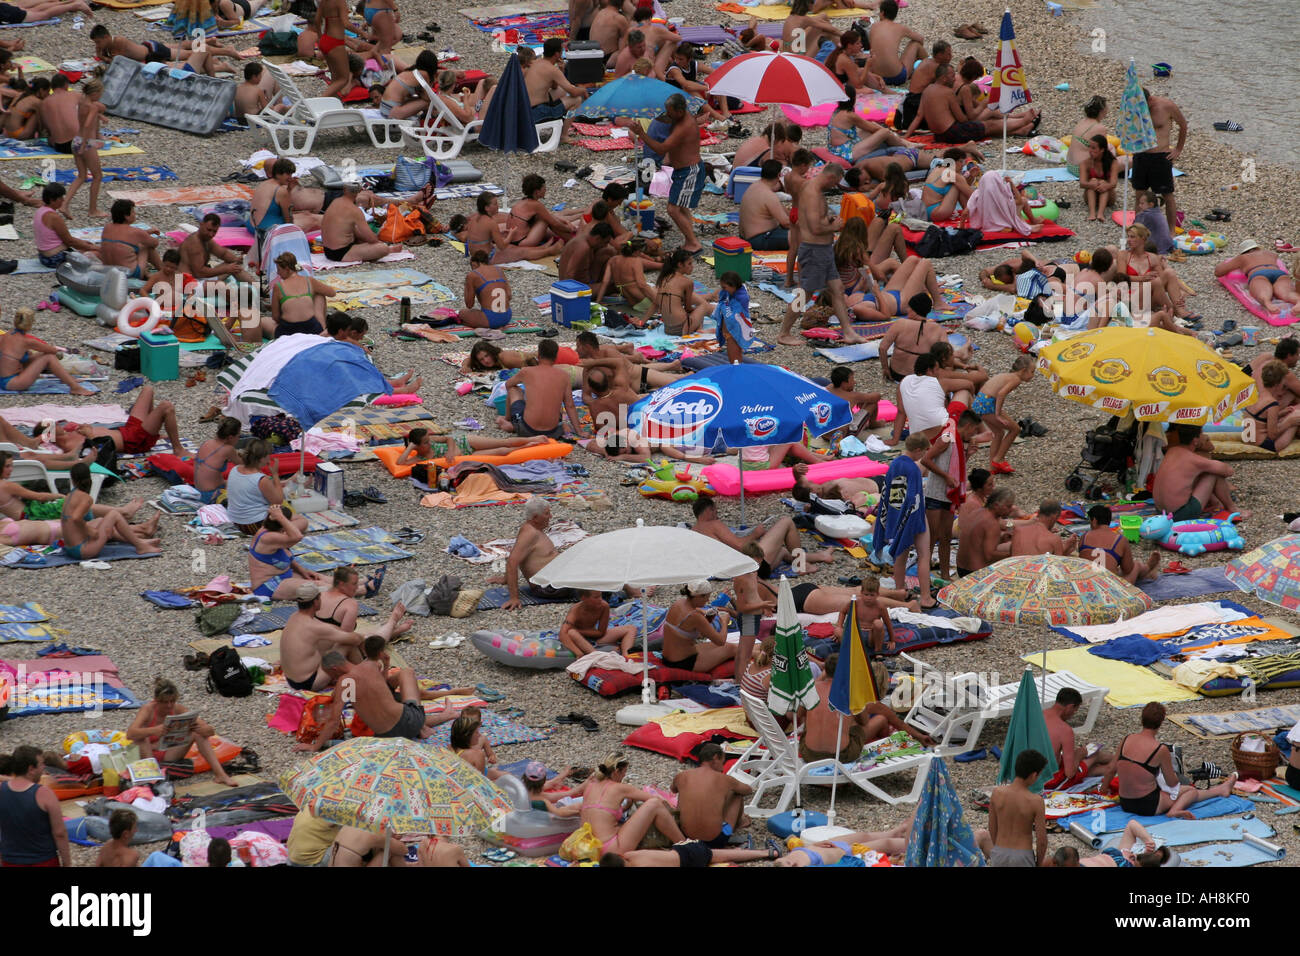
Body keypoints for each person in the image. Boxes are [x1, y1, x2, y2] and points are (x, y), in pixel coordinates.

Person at [777, 161, 864, 346]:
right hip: (814, 250)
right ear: (831, 177)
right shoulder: (812, 194)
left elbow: (814, 220)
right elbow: (815, 228)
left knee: (837, 290)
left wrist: (829, 220)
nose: (835, 186)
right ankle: (784, 333)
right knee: (805, 294)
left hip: (823, 252)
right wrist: (834, 226)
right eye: (836, 182)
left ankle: (848, 332)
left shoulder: (814, 191)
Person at [550, 752, 686, 858]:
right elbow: (655, 799)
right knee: (654, 805)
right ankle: (684, 844)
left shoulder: (591, 786)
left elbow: (604, 812)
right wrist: (671, 807)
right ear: (617, 771)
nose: (624, 777)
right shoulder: (620, 788)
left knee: (622, 824)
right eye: (624, 773)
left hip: (588, 848)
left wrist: (625, 807)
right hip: (610, 849)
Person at [802, 654, 934, 761]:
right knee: (877, 720)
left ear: (826, 671)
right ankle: (882, 740)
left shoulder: (812, 689)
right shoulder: (851, 693)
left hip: (809, 754)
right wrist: (919, 736)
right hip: (841, 755)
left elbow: (794, 716)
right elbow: (866, 722)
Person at [619, 93, 706, 256]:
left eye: (669, 112)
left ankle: (694, 243)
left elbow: (661, 149)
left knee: (673, 209)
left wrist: (641, 133)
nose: (667, 115)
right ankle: (690, 239)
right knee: (681, 206)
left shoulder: (684, 126)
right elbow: (666, 121)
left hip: (690, 171)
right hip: (683, 170)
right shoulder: (681, 117)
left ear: (679, 111)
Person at [1116, 702, 1237, 818]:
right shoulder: (1160, 749)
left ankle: (1220, 790)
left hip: (1126, 803)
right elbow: (1172, 783)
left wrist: (1104, 789)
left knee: (1182, 791)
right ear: (1161, 722)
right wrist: (1173, 775)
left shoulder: (1126, 739)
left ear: (1142, 719)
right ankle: (1175, 810)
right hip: (1148, 806)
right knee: (1191, 791)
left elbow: (1111, 769)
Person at [281, 582, 403, 692]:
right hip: (308, 682)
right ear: (316, 601)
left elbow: (329, 631)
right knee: (347, 644)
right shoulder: (315, 627)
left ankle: (389, 632)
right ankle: (368, 672)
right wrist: (361, 640)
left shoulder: (294, 617)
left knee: (332, 643)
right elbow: (353, 639)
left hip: (292, 679)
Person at [124, 677, 237, 786]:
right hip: (146, 754)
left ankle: (220, 774)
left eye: (172, 701)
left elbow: (210, 731)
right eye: (164, 702)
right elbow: (130, 734)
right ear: (156, 701)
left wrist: (201, 729)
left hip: (167, 752)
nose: (169, 705)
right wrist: (154, 730)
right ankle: (154, 779)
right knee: (141, 738)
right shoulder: (148, 709)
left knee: (198, 733)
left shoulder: (178, 708)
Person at [871, 434, 935, 608]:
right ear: (917, 450)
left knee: (900, 555)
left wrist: (893, 520)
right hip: (914, 517)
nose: (923, 456)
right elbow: (914, 498)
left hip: (897, 515)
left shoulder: (894, 464)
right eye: (923, 451)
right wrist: (913, 521)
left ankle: (899, 592)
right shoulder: (913, 469)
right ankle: (926, 597)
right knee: (923, 555)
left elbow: (887, 493)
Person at [920, 409, 982, 580]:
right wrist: (946, 476)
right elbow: (926, 459)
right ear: (968, 426)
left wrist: (967, 455)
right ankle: (923, 575)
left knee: (946, 537)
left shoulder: (960, 443)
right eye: (974, 430)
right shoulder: (947, 437)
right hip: (935, 493)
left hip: (947, 496)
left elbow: (955, 467)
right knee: (932, 537)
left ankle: (945, 575)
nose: (974, 434)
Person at [905, 63, 1038, 142]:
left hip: (938, 136)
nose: (954, 78)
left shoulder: (927, 90)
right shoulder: (948, 92)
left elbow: (918, 116)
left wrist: (906, 136)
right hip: (952, 133)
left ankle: (1020, 130)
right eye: (952, 76)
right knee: (988, 125)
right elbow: (963, 119)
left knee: (984, 127)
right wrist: (982, 105)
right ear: (944, 78)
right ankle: (1023, 121)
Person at [691, 496, 833, 569]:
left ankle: (821, 556)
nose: (718, 515)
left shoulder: (693, 530)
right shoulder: (713, 524)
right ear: (709, 510)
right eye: (716, 511)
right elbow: (740, 546)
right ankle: (801, 566)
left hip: (744, 570)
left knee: (783, 551)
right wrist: (756, 534)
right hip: (750, 567)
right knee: (786, 521)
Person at [60, 463, 161, 560]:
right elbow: (76, 518)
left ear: (72, 480)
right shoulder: (85, 498)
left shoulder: (70, 495)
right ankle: (140, 546)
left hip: (70, 548)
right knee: (114, 515)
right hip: (82, 550)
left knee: (101, 520)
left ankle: (141, 540)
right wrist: (90, 531)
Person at [1152, 424, 1247, 520]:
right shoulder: (1193, 459)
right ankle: (1232, 508)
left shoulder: (1171, 451)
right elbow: (1228, 471)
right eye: (1202, 434)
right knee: (1213, 473)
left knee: (1200, 473)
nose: (1204, 435)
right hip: (1178, 515)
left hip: (1160, 511)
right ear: (1195, 440)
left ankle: (1216, 503)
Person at [495, 338, 585, 440]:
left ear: (538, 355)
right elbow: (570, 406)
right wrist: (579, 431)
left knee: (514, 389)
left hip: (527, 430)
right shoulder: (564, 376)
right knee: (556, 400)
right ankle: (562, 425)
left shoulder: (526, 371)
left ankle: (508, 421)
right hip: (553, 432)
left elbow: (508, 385)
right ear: (555, 357)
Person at [494, 498, 573, 611]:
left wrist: (506, 578)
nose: (550, 516)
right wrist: (514, 598)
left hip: (553, 582)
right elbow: (512, 562)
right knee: (588, 569)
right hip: (548, 588)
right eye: (547, 514)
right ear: (535, 517)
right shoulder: (530, 533)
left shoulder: (533, 530)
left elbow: (516, 554)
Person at [0, 745, 71, 867]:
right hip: (43, 860)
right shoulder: (45, 794)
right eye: (41, 764)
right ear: (31, 769)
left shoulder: (2, 790)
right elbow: (60, 833)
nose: (44, 768)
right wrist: (67, 863)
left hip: (10, 860)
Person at [672, 742, 753, 846]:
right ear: (715, 758)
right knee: (736, 794)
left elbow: (673, 790)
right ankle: (740, 822)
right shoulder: (725, 779)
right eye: (722, 763)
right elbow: (748, 790)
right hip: (716, 840)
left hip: (685, 836)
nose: (722, 768)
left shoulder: (682, 775)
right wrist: (729, 787)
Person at [0, 308, 95, 395]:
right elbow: (52, 350)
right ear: (30, 323)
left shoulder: (9, 334)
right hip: (11, 382)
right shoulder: (27, 341)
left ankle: (66, 378)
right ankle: (74, 387)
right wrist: (60, 350)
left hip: (4, 378)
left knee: (40, 354)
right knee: (48, 357)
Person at [247, 505, 332, 600]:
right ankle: (345, 599)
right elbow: (298, 536)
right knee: (321, 587)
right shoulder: (267, 537)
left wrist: (302, 571)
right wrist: (280, 516)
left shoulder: (275, 532)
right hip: (268, 584)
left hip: (285, 575)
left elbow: (302, 520)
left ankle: (348, 592)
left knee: (330, 581)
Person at [225, 439, 308, 536]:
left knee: (288, 514)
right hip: (254, 523)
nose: (269, 458)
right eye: (268, 456)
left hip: (235, 519)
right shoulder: (261, 479)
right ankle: (278, 534)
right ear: (261, 458)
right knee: (302, 521)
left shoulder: (235, 469)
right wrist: (275, 474)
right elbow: (278, 500)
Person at [1132, 87, 1187, 233]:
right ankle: (1137, 229)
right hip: (1141, 155)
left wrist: (1178, 149)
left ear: (1149, 100)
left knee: (1167, 194)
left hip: (1160, 155)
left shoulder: (1166, 106)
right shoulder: (1135, 107)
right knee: (1139, 194)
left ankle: (1171, 230)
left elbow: (1183, 124)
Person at [1041, 688, 1117, 791]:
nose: (1073, 715)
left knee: (1091, 761)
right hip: (1049, 780)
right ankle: (1122, 762)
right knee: (1094, 755)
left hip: (1029, 772)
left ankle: (1117, 764)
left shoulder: (1038, 715)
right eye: (1075, 711)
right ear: (1070, 707)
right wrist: (1078, 756)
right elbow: (1070, 773)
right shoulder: (1064, 730)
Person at [972, 355, 1034, 474]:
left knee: (999, 433)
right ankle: (998, 459)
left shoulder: (1008, 376)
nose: (1033, 376)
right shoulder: (1016, 379)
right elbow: (1001, 394)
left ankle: (992, 468)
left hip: (980, 402)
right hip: (987, 403)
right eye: (1032, 372)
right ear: (1023, 371)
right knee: (1015, 429)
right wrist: (998, 414)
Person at [986, 749, 1047, 867]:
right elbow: (1042, 840)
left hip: (1000, 851)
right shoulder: (1035, 801)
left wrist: (998, 848)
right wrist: (1038, 863)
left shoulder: (997, 793)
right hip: (1022, 855)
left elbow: (992, 827)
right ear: (1034, 775)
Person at [1214, 239, 1299, 320]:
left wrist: (1223, 263)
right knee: (1287, 293)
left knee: (1262, 292)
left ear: (1243, 252)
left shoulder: (1242, 258)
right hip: (1279, 273)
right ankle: (1298, 301)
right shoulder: (1270, 254)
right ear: (1258, 248)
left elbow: (1218, 272)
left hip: (1258, 273)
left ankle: (1267, 303)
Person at [661, 580, 736, 672]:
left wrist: (705, 614)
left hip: (667, 658)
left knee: (720, 646)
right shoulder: (695, 616)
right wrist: (724, 621)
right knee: (730, 648)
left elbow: (690, 623)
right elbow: (720, 641)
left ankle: (755, 652)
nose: (708, 601)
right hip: (684, 663)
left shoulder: (678, 603)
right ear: (700, 596)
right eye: (707, 597)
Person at [524, 38, 588, 143]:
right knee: (577, 100)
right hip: (536, 113)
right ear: (557, 54)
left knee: (560, 90)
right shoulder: (552, 69)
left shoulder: (536, 62)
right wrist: (583, 91)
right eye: (562, 51)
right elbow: (573, 92)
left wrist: (561, 70)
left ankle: (561, 124)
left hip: (524, 110)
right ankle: (563, 135)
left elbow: (554, 87)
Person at [1078, 504, 1161, 584]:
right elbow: (1127, 570)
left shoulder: (1084, 537)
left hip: (1086, 584)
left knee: (1107, 569)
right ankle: (1147, 568)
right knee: (1136, 565)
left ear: (1094, 521)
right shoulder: (1120, 539)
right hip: (1111, 588)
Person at [322, 182, 401, 263]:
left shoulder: (335, 202)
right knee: (382, 249)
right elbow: (371, 239)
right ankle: (387, 250)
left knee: (353, 230)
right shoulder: (355, 210)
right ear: (359, 192)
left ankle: (370, 249)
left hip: (327, 250)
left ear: (344, 190)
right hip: (341, 253)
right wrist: (378, 243)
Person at [1049, 820, 1180, 868]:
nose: (1154, 851)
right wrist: (1148, 840)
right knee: (1066, 855)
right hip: (1088, 861)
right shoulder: (1123, 852)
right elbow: (1131, 825)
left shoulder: (1128, 863)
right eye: (1156, 850)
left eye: (1156, 854)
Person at [62, 78, 106, 217]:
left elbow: (88, 115)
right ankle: (92, 210)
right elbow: (87, 125)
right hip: (86, 143)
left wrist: (99, 116)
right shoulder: (92, 106)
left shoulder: (82, 101)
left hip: (76, 140)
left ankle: (64, 205)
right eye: (100, 94)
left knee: (81, 176)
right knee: (97, 176)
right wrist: (84, 145)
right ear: (95, 93)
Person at [32, 182, 100, 268]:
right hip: (54, 258)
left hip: (43, 256)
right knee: (95, 254)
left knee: (84, 246)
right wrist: (93, 247)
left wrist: (83, 243)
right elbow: (69, 241)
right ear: (52, 200)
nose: (63, 200)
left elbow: (64, 238)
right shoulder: (53, 217)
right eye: (60, 198)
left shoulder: (40, 211)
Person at [179, 213, 257, 285]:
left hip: (200, 277)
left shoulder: (206, 240)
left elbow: (223, 254)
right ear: (201, 224)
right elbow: (199, 272)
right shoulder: (194, 243)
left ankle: (258, 287)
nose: (211, 234)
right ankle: (257, 288)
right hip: (190, 282)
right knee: (229, 271)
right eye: (209, 230)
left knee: (234, 266)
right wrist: (225, 269)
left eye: (214, 231)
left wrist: (237, 259)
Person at [505, 173, 581, 248]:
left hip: (512, 240)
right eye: (544, 188)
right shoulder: (536, 205)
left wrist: (566, 222)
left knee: (546, 218)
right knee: (546, 221)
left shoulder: (523, 201)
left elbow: (550, 216)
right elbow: (554, 223)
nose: (546, 190)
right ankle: (573, 241)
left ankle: (572, 239)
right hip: (523, 242)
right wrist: (569, 229)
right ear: (537, 192)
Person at [1242, 359, 1300, 454]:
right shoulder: (1272, 404)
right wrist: (1289, 422)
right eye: (1283, 384)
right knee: (1296, 416)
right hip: (1266, 445)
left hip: (1248, 439)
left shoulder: (1256, 397)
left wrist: (1281, 414)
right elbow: (1272, 435)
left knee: (1288, 417)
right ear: (1278, 384)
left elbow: (1260, 419)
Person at [955, 486, 1016, 576]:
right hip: (975, 572)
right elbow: (989, 556)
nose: (1011, 509)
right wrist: (1011, 555)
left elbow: (979, 543)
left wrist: (1001, 540)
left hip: (960, 568)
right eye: (1008, 506)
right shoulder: (992, 523)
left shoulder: (977, 512)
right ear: (996, 505)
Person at [559, 590, 638, 657]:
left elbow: (601, 632)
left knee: (631, 628)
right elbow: (563, 634)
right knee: (571, 632)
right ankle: (596, 656)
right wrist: (578, 653)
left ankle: (626, 656)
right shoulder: (576, 610)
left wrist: (580, 631)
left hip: (595, 638)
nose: (600, 599)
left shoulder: (604, 606)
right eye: (596, 597)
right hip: (578, 638)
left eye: (600, 596)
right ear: (584, 598)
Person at [594, 237, 656, 322]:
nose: (641, 254)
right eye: (641, 252)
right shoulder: (636, 261)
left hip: (632, 304)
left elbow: (605, 282)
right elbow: (642, 285)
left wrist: (598, 301)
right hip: (644, 301)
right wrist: (657, 302)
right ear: (636, 252)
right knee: (661, 289)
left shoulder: (613, 260)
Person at [652, 249, 709, 335]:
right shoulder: (687, 282)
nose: (692, 267)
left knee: (696, 310)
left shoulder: (664, 278)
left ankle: (698, 326)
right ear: (680, 264)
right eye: (689, 264)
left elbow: (655, 304)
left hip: (668, 329)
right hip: (683, 328)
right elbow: (688, 308)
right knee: (704, 305)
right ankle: (699, 329)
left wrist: (642, 321)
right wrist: (695, 311)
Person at [99, 199, 160, 279]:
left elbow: (124, 237)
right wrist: (145, 234)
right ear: (126, 216)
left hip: (109, 271)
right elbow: (154, 243)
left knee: (129, 247)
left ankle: (148, 274)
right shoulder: (135, 232)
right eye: (133, 212)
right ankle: (162, 269)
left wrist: (146, 232)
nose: (135, 214)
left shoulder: (107, 228)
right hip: (130, 274)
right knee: (145, 246)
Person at [739, 160, 792, 252]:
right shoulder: (768, 195)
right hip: (759, 239)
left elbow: (782, 211)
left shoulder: (754, 186)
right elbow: (786, 223)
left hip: (746, 236)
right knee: (801, 237)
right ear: (779, 175)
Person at [867, 0, 922, 86]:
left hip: (877, 76)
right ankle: (931, 66)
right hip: (897, 77)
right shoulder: (900, 28)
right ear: (895, 14)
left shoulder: (874, 27)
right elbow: (920, 39)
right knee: (916, 44)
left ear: (882, 13)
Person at [457, 250, 514, 330]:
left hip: (490, 318)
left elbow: (469, 304)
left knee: (462, 313)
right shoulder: (499, 270)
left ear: (474, 263)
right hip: (507, 316)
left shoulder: (472, 275)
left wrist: (468, 286)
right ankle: (498, 325)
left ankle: (488, 325)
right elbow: (509, 295)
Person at [191, 416, 241, 505]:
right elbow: (244, 464)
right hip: (211, 495)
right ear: (230, 437)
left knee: (229, 482)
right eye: (238, 436)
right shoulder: (228, 449)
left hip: (198, 490)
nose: (238, 439)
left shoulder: (207, 442)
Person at [1011, 500, 1078, 558]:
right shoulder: (1055, 540)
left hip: (1014, 571)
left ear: (1038, 512)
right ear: (1055, 516)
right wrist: (1066, 546)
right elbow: (1057, 566)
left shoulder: (1018, 531)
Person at [827, 366, 881, 437]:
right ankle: (873, 424)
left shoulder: (828, 388)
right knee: (872, 402)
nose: (855, 382)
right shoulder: (853, 396)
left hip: (825, 434)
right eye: (852, 380)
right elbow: (877, 396)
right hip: (843, 435)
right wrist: (861, 399)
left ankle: (872, 424)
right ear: (844, 383)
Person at [558, 221, 615, 285]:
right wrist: (567, 291)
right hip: (575, 286)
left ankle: (595, 281)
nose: (605, 245)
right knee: (612, 286)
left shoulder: (586, 237)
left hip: (582, 281)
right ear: (598, 238)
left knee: (608, 251)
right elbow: (570, 272)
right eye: (605, 242)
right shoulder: (583, 248)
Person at [1078, 133, 1119, 222]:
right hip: (1090, 195)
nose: (1090, 150)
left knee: (1103, 183)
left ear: (1102, 150)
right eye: (1089, 147)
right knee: (1093, 181)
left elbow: (1113, 183)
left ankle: (1100, 213)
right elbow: (1082, 183)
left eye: (1093, 148)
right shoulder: (1085, 162)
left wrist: (1105, 185)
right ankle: (1092, 213)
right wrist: (1091, 183)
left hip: (1108, 197)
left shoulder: (1112, 162)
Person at [1065, 95, 1108, 177]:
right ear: (1101, 111)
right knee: (1128, 160)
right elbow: (1103, 155)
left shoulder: (1081, 122)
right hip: (1083, 169)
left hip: (1070, 166)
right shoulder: (1100, 128)